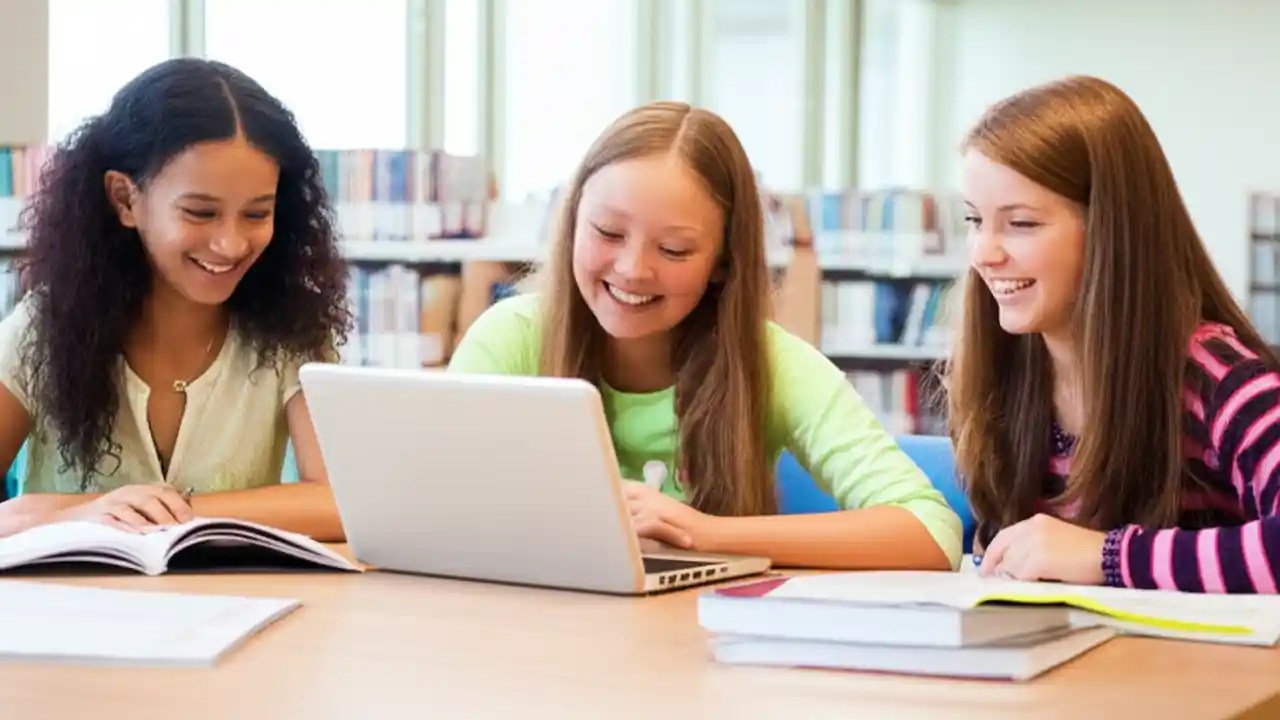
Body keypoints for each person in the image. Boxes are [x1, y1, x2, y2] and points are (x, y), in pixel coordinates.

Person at [448, 101, 961, 570]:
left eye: (673, 251)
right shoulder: (512, 335)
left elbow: (932, 533)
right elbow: (432, 504)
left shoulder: (772, 363)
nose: (632, 270)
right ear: (572, 222)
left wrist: (703, 532)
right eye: (607, 232)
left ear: (722, 263)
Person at [951, 74, 1280, 592]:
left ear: (1109, 231)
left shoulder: (1215, 377)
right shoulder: (1005, 373)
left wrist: (1108, 557)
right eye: (974, 220)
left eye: (1021, 224)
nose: (984, 254)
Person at [0, 58, 350, 540]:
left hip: (237, 611)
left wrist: (169, 513)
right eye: (201, 212)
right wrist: (77, 515)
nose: (230, 244)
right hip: (73, 611)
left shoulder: (292, 328)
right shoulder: (44, 325)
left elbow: (340, 501)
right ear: (125, 200)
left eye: (256, 214)